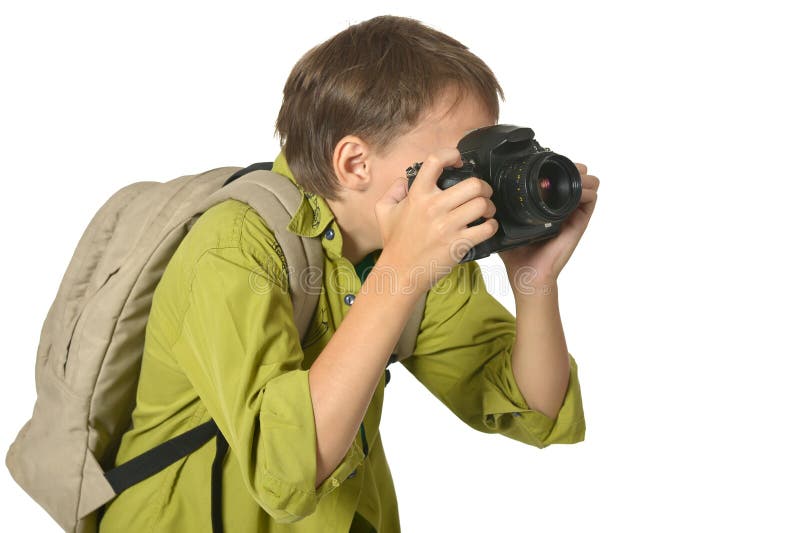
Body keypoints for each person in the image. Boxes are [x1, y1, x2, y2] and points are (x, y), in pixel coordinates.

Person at [98, 14, 597, 533]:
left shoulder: (418, 251)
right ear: (355, 164)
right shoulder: (232, 245)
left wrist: (534, 281)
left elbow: (531, 409)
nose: (481, 185)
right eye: (463, 162)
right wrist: (401, 272)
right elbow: (287, 470)